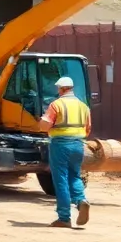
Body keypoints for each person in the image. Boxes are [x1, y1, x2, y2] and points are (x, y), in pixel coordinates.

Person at [38, 76, 91, 228]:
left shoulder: (56, 105)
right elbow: (88, 129)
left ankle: (64, 218)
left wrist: (40, 122)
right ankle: (81, 201)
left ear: (61, 89)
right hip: (78, 145)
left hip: (60, 145)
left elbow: (45, 126)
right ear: (71, 88)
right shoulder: (83, 106)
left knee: (60, 179)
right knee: (74, 176)